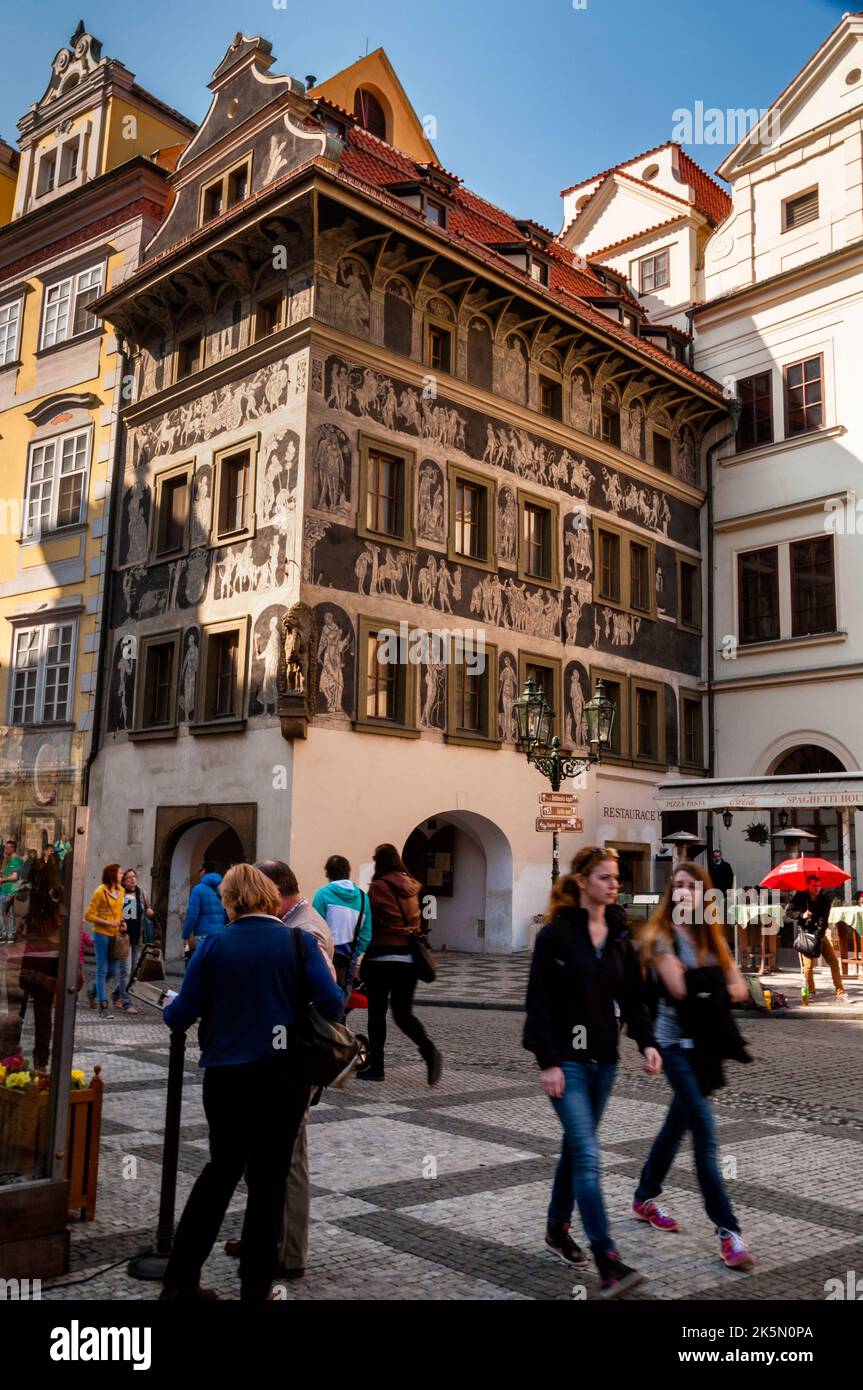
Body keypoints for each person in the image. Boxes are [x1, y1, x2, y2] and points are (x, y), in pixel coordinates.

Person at [160, 863, 343, 1302]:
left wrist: (174, 1006)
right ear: (266, 896)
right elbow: (333, 1002)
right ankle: (255, 1289)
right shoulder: (298, 942)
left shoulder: (214, 945)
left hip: (227, 1078)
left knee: (219, 1174)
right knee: (269, 1182)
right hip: (284, 1078)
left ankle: (181, 1283)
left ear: (229, 900)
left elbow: (180, 1015)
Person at [524, 846, 660, 1298]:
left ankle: (556, 1228)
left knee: (575, 1149)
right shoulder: (556, 936)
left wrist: (647, 1042)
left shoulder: (621, 934)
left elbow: (635, 997)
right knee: (587, 1154)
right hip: (567, 1062)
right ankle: (608, 1261)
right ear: (582, 881)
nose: (614, 884)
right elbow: (538, 1001)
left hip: (605, 1060)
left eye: (617, 878)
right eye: (605, 877)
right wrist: (548, 1061)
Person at [634, 860, 754, 1272]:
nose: (683, 891)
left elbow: (743, 989)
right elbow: (681, 989)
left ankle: (644, 1194)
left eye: (691, 885)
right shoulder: (661, 937)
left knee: (677, 1124)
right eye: (677, 885)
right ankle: (728, 1232)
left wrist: (709, 983)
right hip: (673, 1048)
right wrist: (713, 984)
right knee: (704, 1132)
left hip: (706, 1047)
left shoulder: (711, 939)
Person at [224, 860, 336, 1281]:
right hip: (278, 1058)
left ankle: (289, 1253)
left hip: (290, 1061)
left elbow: (324, 1000)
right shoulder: (291, 923)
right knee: (267, 1158)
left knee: (289, 1160)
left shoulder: (302, 929)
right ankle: (263, 1238)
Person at [361, 844, 442, 1086]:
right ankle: (429, 1050)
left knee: (376, 1014)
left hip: (381, 958)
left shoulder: (378, 887)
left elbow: (368, 921)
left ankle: (377, 1067)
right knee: (403, 1014)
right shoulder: (412, 887)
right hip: (408, 959)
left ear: (380, 861)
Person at [19, 857, 64, 1069]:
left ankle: (11, 1058)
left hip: (28, 958)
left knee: (18, 1013)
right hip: (49, 960)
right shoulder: (58, 896)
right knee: (43, 1017)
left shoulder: (30, 896)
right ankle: (40, 1063)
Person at [312, 856, 372, 993]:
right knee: (343, 996)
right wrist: (354, 953)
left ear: (327, 873)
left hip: (324, 958)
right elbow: (366, 935)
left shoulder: (322, 895)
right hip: (348, 958)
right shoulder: (363, 898)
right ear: (348, 872)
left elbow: (315, 929)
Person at [784, 873, 845, 1001]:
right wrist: (802, 915)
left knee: (833, 962)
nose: (817, 888)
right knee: (808, 966)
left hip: (820, 934)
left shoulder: (824, 900)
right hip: (806, 934)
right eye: (814, 886)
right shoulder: (800, 896)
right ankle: (811, 991)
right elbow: (789, 912)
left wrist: (818, 940)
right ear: (808, 886)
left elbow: (824, 922)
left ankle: (840, 992)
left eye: (819, 885)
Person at [84, 864, 124, 1018]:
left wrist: (122, 922)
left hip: (115, 936)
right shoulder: (99, 892)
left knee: (112, 971)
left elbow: (120, 912)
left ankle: (92, 989)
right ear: (112, 874)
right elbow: (89, 915)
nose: (122, 875)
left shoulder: (121, 891)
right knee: (102, 969)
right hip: (101, 935)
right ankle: (103, 1005)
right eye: (119, 872)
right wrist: (107, 922)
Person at [115, 868, 156, 993]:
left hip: (138, 937)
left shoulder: (141, 893)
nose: (132, 879)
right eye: (129, 878)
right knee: (126, 971)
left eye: (134, 876)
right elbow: (125, 916)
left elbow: (148, 908)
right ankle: (125, 1000)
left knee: (133, 971)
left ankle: (117, 994)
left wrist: (149, 911)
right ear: (124, 882)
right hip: (126, 938)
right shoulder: (121, 894)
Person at [182, 860, 228, 952]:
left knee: (203, 964)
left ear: (203, 871)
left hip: (203, 936)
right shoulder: (222, 888)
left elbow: (192, 915)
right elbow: (227, 912)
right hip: (221, 934)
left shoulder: (198, 889)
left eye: (200, 871)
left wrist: (185, 935)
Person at [0, 838, 24, 943]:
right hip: (10, 890)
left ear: (12, 848)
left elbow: (14, 877)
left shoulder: (15, 860)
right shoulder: (13, 860)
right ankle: (10, 935)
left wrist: (2, 879)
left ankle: (2, 933)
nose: (5, 849)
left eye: (6, 848)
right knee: (9, 913)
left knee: (1, 912)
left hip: (8, 890)